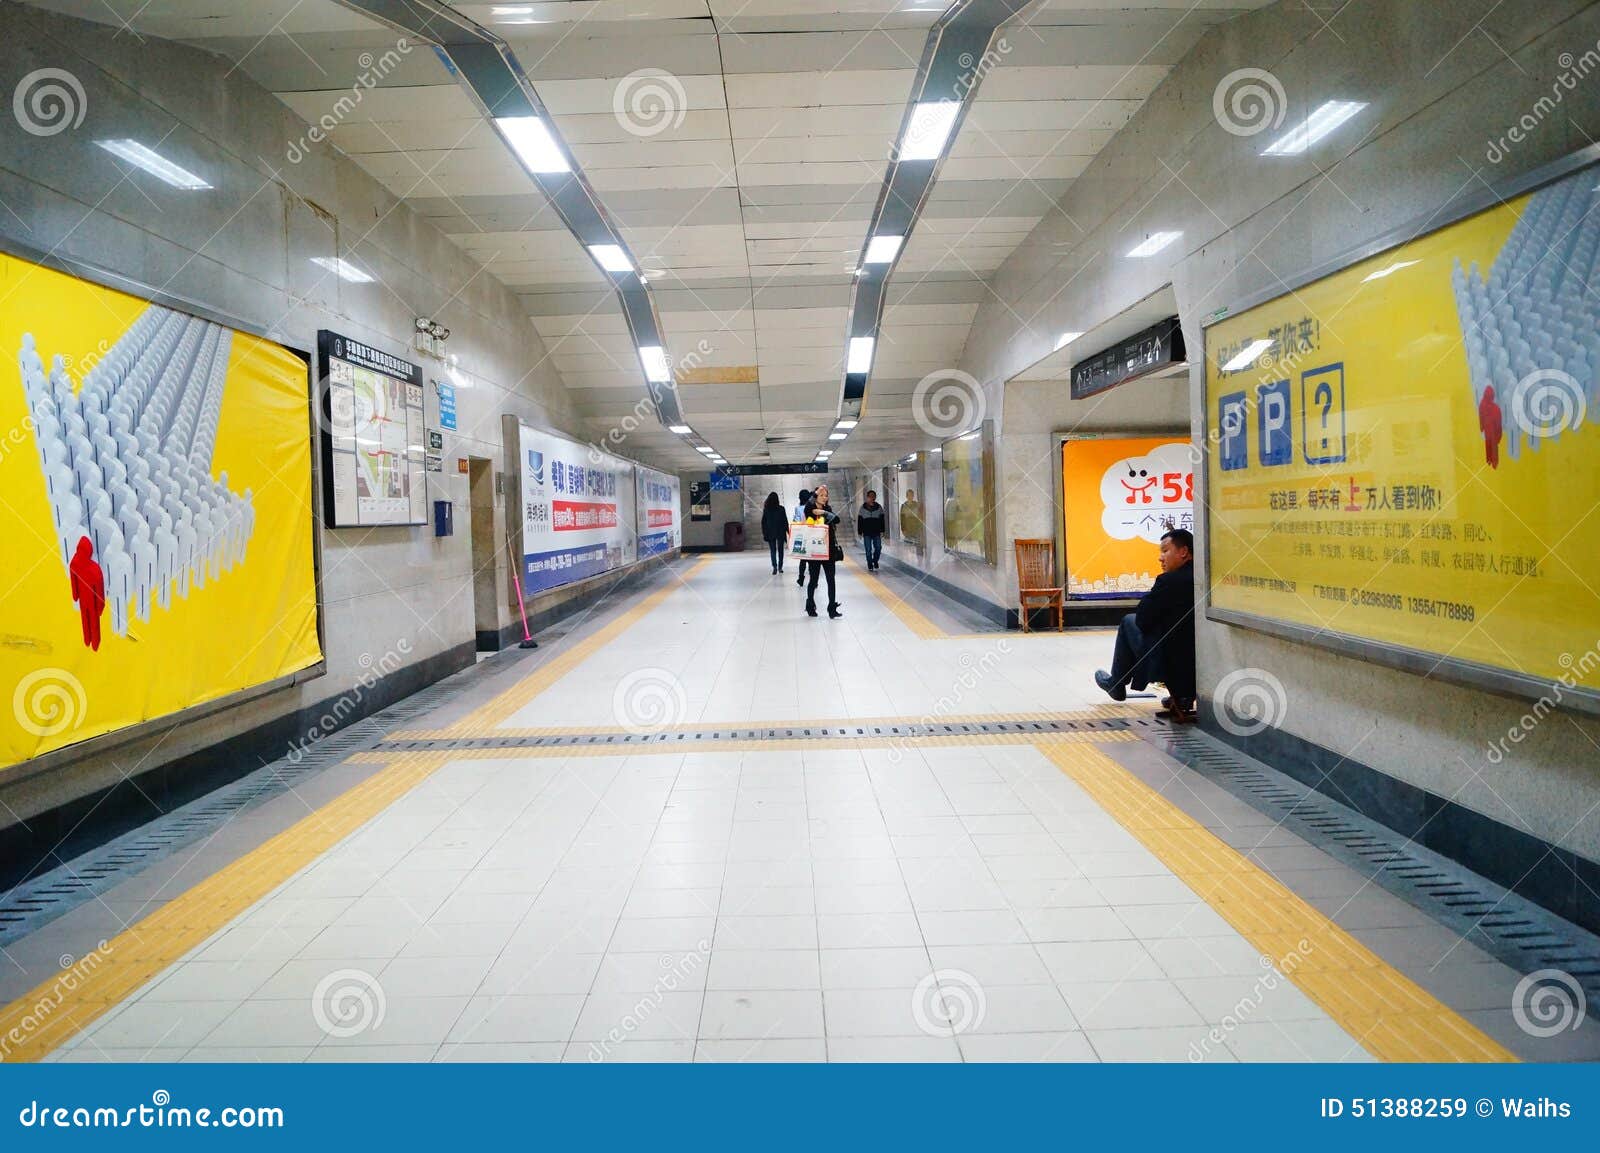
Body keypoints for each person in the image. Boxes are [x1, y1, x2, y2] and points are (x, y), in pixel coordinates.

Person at [1094, 527, 1196, 720]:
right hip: (1200, 658)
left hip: (1169, 660)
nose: (1160, 558)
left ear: (1183, 551)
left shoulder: (1169, 581)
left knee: (1129, 621)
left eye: (1165, 551)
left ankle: (1117, 683)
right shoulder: (1204, 577)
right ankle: (1183, 696)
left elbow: (1143, 620)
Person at [803, 483, 842, 619]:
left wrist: (824, 513)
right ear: (816, 497)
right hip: (814, 551)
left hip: (828, 550)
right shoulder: (810, 509)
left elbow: (837, 519)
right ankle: (810, 605)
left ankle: (832, 608)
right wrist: (815, 493)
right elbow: (808, 507)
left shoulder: (827, 509)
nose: (824, 497)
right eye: (821, 495)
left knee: (831, 579)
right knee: (813, 580)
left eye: (826, 495)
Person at [760, 491, 790, 574]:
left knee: (772, 550)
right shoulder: (781, 509)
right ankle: (780, 567)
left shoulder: (766, 509)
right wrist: (788, 531)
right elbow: (785, 521)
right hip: (780, 532)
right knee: (781, 550)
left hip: (770, 532)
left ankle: (774, 567)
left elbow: (763, 522)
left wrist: (764, 532)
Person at [857, 489, 886, 571]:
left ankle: (875, 560)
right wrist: (859, 532)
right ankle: (870, 564)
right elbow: (860, 521)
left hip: (876, 532)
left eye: (873, 496)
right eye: (870, 496)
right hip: (866, 532)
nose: (872, 498)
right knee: (868, 549)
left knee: (878, 548)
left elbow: (882, 520)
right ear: (867, 497)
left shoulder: (879, 507)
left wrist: (883, 530)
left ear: (875, 497)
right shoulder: (862, 508)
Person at [794, 488, 812, 586]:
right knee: (812, 560)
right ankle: (814, 581)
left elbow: (796, 521)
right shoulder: (813, 507)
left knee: (803, 559)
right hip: (812, 535)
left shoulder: (798, 509)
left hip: (803, 535)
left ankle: (801, 578)